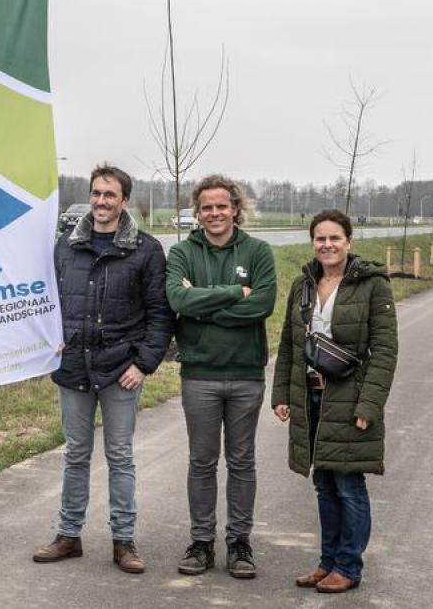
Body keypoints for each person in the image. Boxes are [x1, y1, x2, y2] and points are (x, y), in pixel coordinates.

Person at [33, 165, 175, 574]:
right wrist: (48, 339)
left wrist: (144, 363)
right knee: (75, 454)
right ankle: (68, 535)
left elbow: (160, 315)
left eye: (109, 195)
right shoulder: (66, 247)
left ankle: (123, 541)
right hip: (73, 368)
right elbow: (47, 300)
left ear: (124, 200)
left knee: (120, 457)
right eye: (96, 193)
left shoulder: (146, 250)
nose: (101, 201)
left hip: (120, 371)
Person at [270, 209, 398, 594]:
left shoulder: (372, 285)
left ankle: (348, 566)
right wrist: (281, 393)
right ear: (313, 242)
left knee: (348, 484)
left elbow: (385, 351)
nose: (327, 245)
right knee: (324, 484)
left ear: (349, 241)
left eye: (334, 238)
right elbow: (290, 345)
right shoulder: (303, 284)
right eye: (320, 238)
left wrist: (369, 405)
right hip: (310, 396)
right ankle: (327, 562)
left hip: (349, 397)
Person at [165, 174, 277, 579]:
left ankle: (239, 542)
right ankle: (201, 542)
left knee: (242, 461)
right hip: (200, 375)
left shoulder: (258, 251)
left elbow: (262, 304)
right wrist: (234, 291)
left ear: (235, 209)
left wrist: (203, 304)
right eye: (207, 207)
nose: (214, 213)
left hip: (246, 374)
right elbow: (177, 299)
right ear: (198, 212)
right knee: (202, 461)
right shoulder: (181, 252)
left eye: (222, 206)